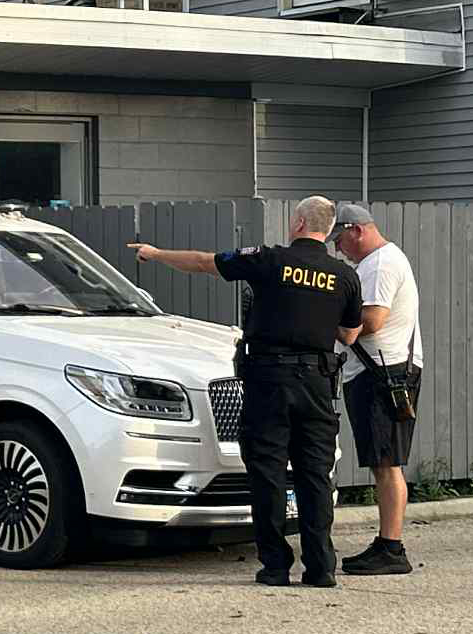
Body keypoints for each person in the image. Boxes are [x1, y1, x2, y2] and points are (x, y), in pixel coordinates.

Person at [132, 195, 362, 588]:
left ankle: (275, 566)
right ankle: (321, 567)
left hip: (269, 381)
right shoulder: (344, 276)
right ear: (327, 230)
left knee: (268, 472)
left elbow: (206, 263)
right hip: (317, 385)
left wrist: (154, 253)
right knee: (315, 476)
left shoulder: (270, 259)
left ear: (298, 224)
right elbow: (350, 333)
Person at [331, 203, 425, 576]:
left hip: (383, 375)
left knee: (387, 464)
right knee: (384, 462)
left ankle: (391, 546)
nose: (339, 249)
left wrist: (328, 320)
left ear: (356, 229)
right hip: (385, 371)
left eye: (340, 240)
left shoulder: (381, 264)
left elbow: (371, 320)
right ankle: (388, 542)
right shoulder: (381, 261)